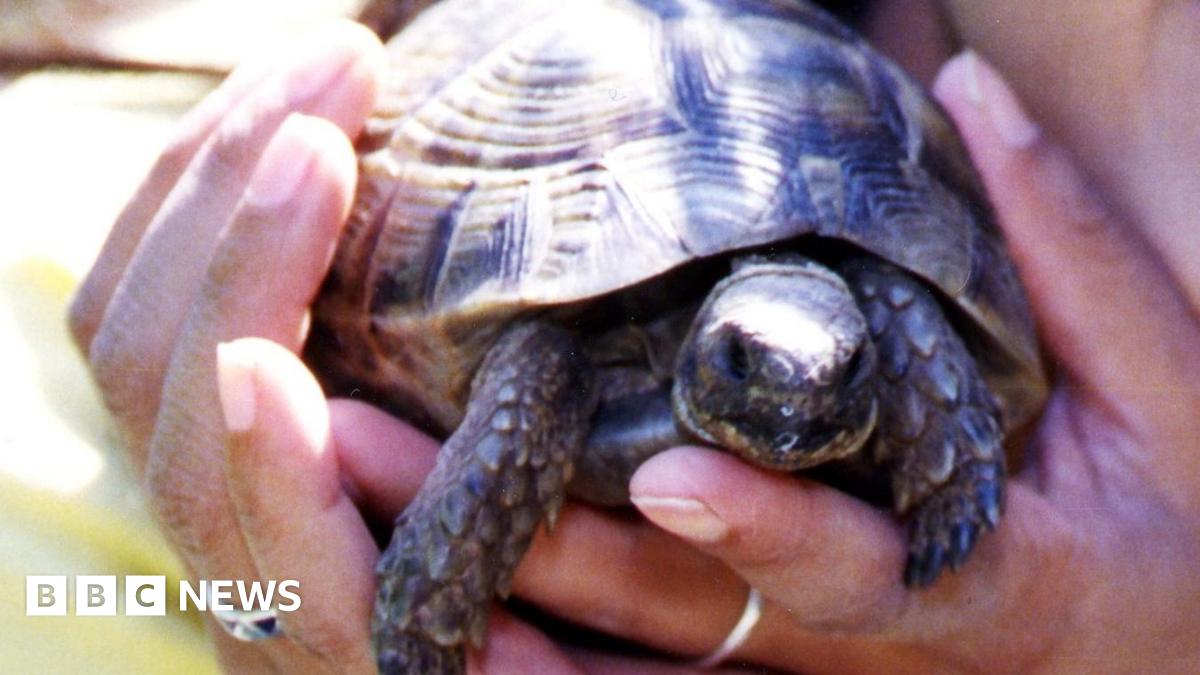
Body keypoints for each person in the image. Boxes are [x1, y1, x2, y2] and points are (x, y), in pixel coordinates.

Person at [69, 1, 1200, 671]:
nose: (794, 404)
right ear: (710, 348)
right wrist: (400, 610)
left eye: (840, 369)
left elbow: (898, 311)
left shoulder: (891, 296)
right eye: (747, 368)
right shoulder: (553, 358)